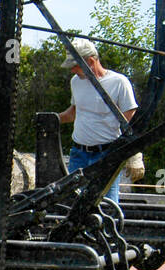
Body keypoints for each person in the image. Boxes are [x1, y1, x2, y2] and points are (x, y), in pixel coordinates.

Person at [57, 39, 137, 206]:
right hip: (78, 154)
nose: (72, 70)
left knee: (105, 206)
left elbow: (130, 115)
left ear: (91, 61)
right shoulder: (76, 82)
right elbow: (74, 113)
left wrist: (133, 151)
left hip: (106, 154)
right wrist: (52, 120)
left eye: (75, 65)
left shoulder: (119, 82)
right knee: (70, 204)